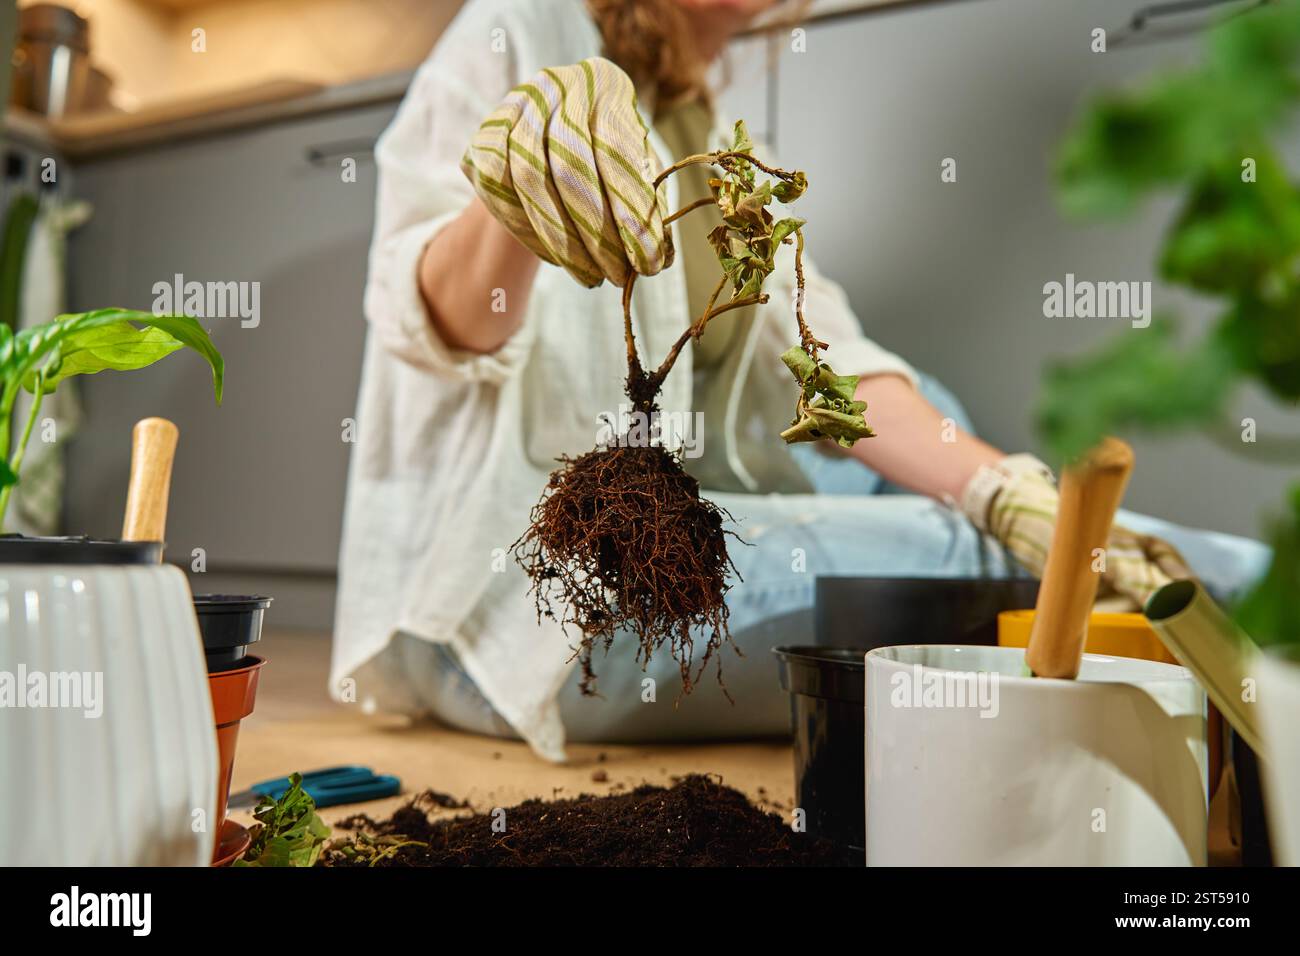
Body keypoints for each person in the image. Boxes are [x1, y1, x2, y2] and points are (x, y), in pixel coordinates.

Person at [330, 0, 1268, 761]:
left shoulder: (702, 120)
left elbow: (830, 366)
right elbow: (441, 325)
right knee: (943, 550)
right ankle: (1258, 589)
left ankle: (1078, 555)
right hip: (537, 603)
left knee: (932, 420)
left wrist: (1002, 491)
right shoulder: (522, 26)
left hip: (654, 552)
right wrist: (510, 198)